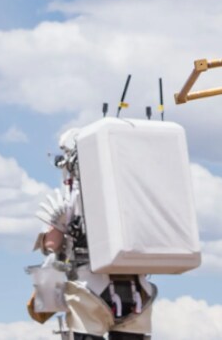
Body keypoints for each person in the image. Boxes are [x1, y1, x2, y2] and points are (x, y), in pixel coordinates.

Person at [30, 130, 155, 340]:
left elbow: (52, 244)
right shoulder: (137, 195)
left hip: (89, 290)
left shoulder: (70, 200)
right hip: (138, 290)